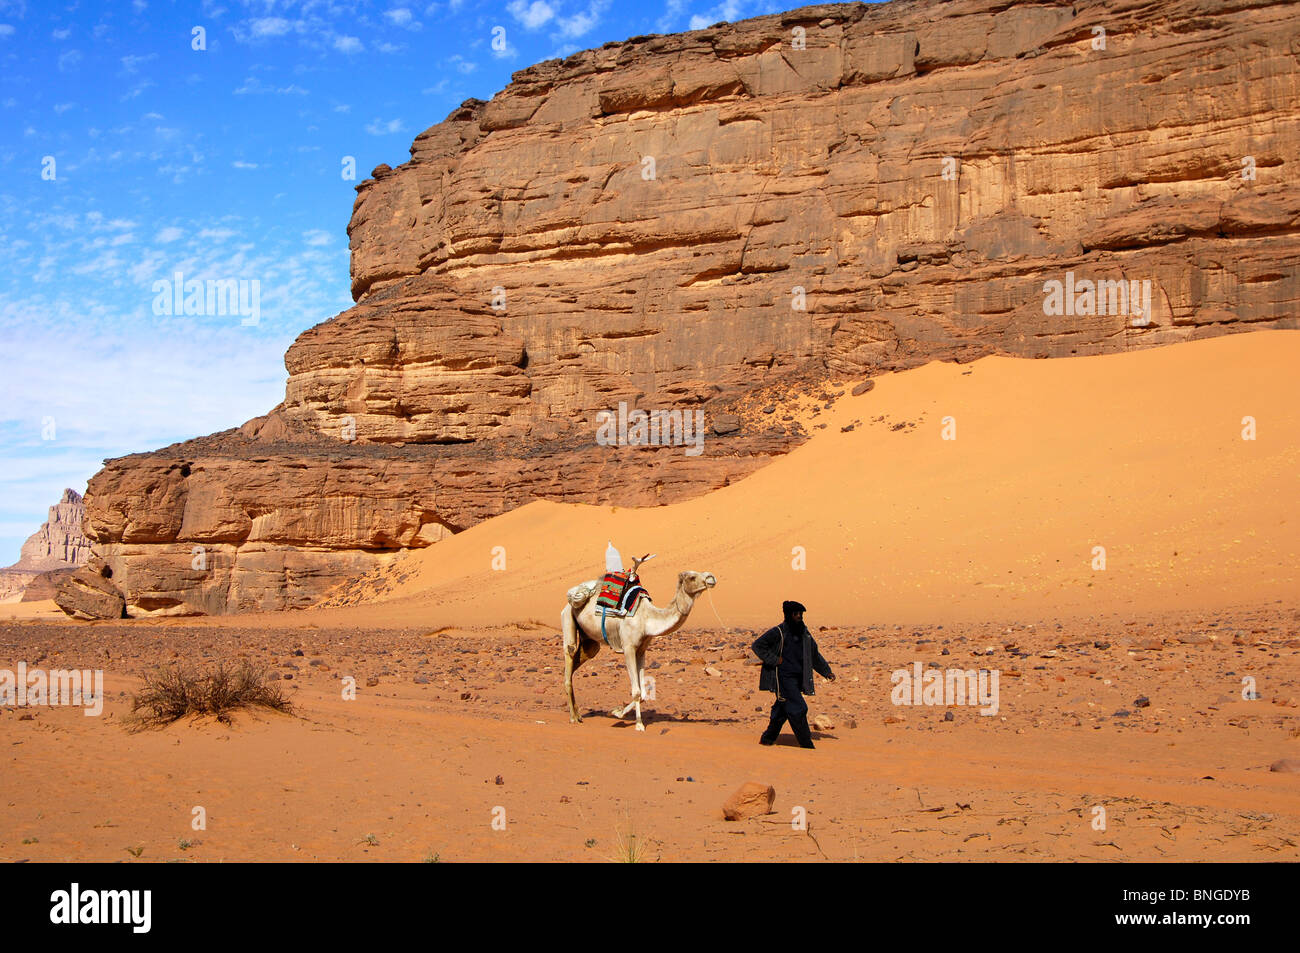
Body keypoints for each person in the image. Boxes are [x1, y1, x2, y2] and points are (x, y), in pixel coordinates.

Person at [751, 600, 834, 748]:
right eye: (796, 614)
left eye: (801, 614)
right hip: (783, 677)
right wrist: (774, 660)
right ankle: (806, 744)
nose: (799, 616)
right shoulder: (778, 632)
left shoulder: (804, 633)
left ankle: (767, 739)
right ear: (788, 615)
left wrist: (826, 671)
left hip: (797, 678)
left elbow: (814, 655)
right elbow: (757, 645)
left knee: (782, 709)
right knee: (799, 708)